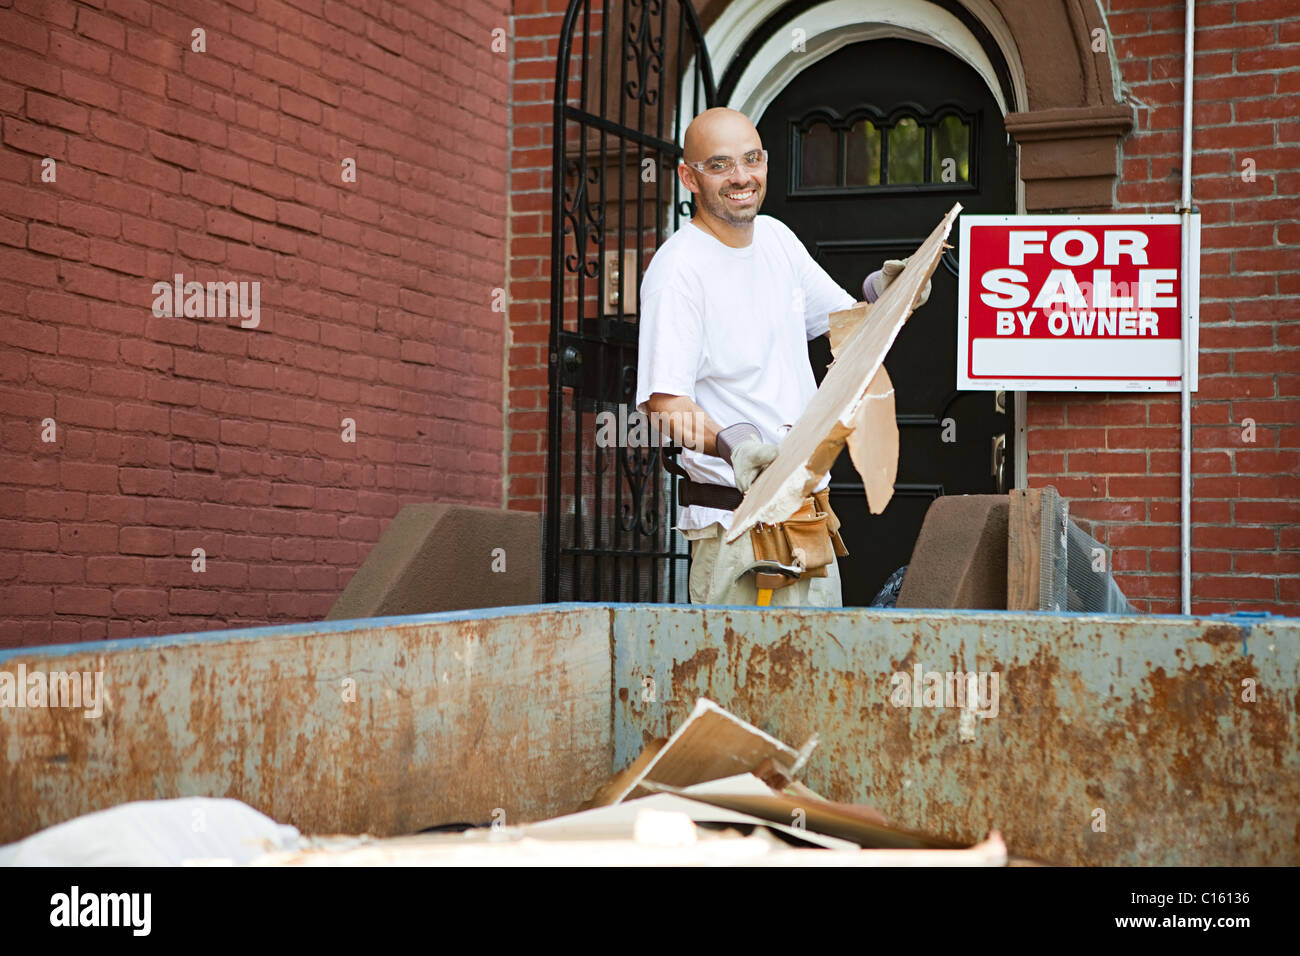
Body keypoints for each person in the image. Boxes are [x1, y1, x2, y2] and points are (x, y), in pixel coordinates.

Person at [635, 107, 928, 606]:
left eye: (752, 159)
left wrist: (888, 295)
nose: (742, 177)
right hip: (739, 532)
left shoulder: (777, 240)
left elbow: (846, 327)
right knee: (740, 683)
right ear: (688, 177)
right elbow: (664, 405)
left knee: (819, 682)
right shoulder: (678, 270)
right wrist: (737, 448)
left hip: (810, 521)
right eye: (721, 165)